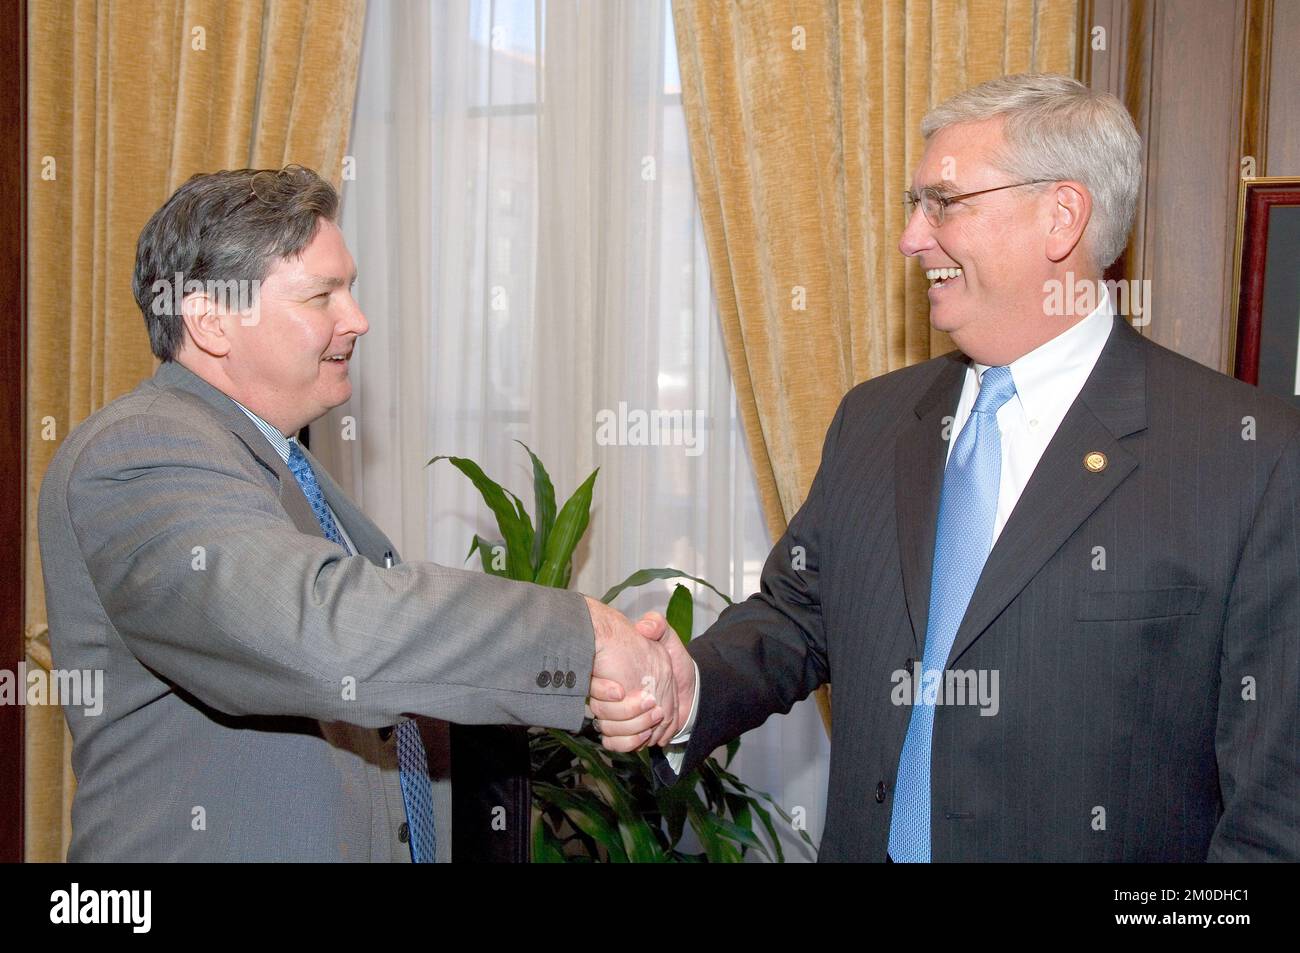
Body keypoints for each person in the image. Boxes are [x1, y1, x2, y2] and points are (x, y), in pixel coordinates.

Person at [593, 74, 1300, 862]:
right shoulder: (875, 418)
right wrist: (692, 684)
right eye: (913, 202)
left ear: (1060, 216)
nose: (911, 238)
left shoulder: (1249, 456)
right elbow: (798, 614)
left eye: (945, 203)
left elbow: (1275, 811)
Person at [37, 166, 677, 862]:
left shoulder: (287, 468)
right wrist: (583, 638)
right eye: (322, 295)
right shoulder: (138, 449)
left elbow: (392, 675)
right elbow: (322, 629)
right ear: (212, 320)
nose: (357, 319)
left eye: (351, 287)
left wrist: (595, 684)